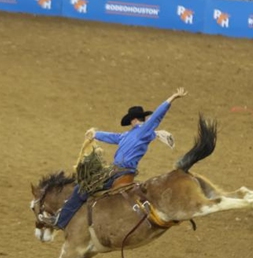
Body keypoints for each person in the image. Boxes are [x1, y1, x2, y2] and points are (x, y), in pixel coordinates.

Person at [54, 88, 189, 230]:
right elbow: (113, 136)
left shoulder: (142, 131)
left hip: (119, 172)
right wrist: (95, 134)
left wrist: (172, 98)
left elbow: (157, 115)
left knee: (83, 187)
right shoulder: (131, 134)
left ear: (133, 119)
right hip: (118, 170)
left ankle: (60, 222)